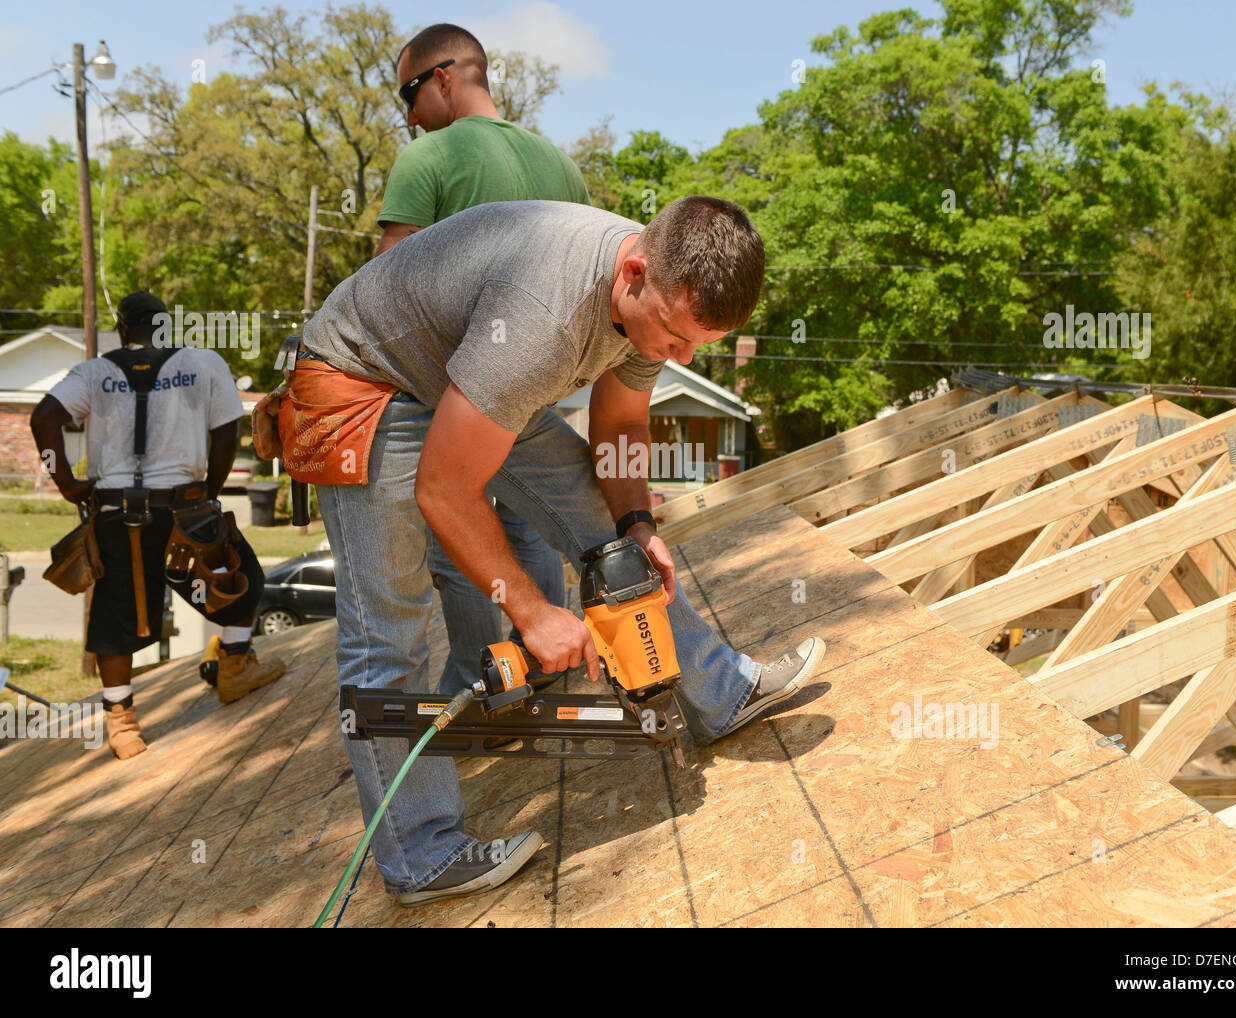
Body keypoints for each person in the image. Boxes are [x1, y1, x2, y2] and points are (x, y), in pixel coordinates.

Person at [282, 196, 826, 905]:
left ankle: (719, 693)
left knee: (614, 542)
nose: (681, 356)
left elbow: (623, 419)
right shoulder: (544, 315)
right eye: (672, 335)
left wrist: (635, 525)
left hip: (464, 376)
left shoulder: (652, 300)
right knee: (390, 627)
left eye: (698, 344)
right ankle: (420, 856)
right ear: (633, 273)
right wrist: (533, 611)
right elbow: (445, 490)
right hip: (366, 381)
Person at [376, 22, 589, 694]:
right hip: (535, 384)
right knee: (528, 533)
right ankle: (548, 668)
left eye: (409, 95)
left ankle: (483, 681)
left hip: (453, 390)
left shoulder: (430, 156)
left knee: (455, 533)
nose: (410, 117)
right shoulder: (560, 163)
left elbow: (383, 283)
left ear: (443, 76)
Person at [30, 291, 285, 760]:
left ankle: (122, 723)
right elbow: (227, 431)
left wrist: (64, 481)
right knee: (239, 580)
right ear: (166, 326)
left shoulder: (93, 372)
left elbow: (44, 418)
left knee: (114, 616)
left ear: (122, 328)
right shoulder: (205, 363)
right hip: (184, 512)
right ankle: (233, 669)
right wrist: (211, 488)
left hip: (116, 515)